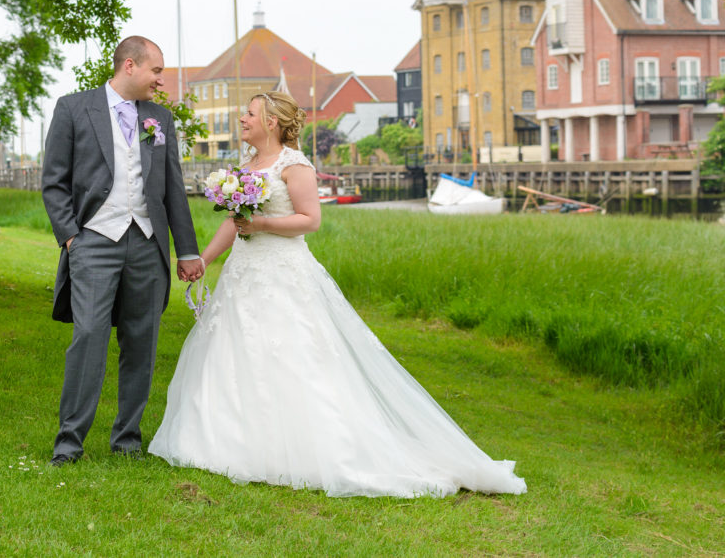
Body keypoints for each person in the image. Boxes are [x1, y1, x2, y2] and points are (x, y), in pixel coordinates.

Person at [148, 91, 527, 498]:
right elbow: (235, 222)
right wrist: (204, 258)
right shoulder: (247, 165)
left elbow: (311, 220)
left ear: (271, 122)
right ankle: (226, 439)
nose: (242, 118)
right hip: (244, 272)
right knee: (233, 349)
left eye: (249, 113)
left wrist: (262, 227)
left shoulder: (294, 164)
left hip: (282, 273)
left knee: (293, 356)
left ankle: (305, 447)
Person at [42, 36, 205, 467]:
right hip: (94, 239)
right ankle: (69, 443)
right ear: (129, 66)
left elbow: (173, 189)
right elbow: (54, 181)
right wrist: (71, 236)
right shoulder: (73, 108)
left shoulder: (161, 120)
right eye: (156, 71)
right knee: (89, 337)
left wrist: (185, 251)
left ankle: (128, 440)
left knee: (142, 342)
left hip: (147, 242)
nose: (160, 81)